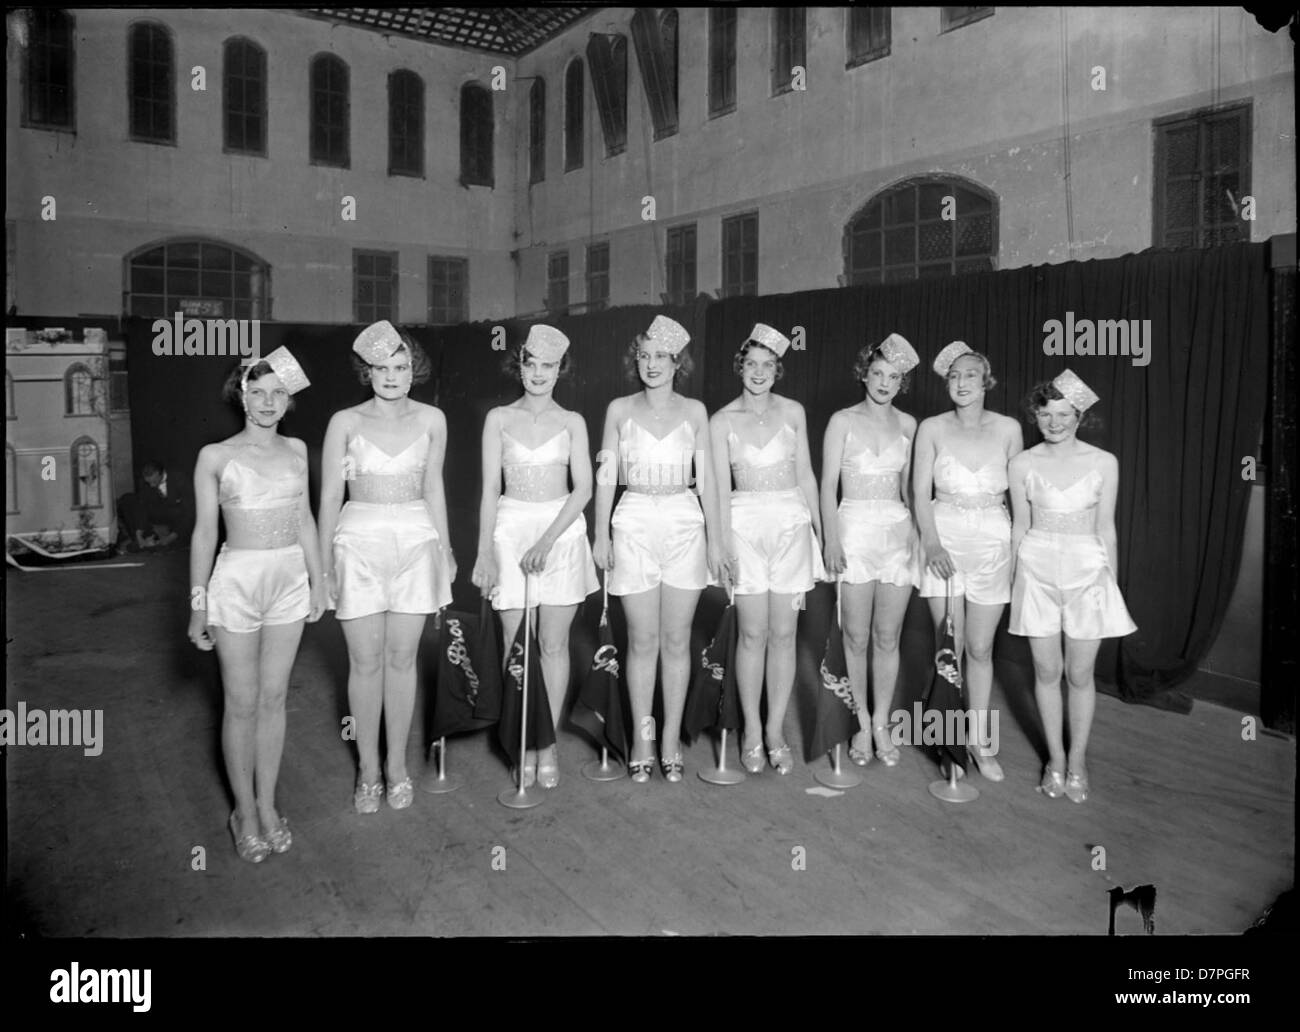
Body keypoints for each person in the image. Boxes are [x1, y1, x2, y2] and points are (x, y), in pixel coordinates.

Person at [188, 348, 326, 862]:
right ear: (240, 395)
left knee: (273, 699)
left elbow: (307, 520)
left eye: (278, 393)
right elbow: (204, 534)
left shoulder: (296, 450)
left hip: (289, 581)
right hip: (237, 584)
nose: (268, 402)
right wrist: (199, 605)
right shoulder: (216, 456)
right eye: (258, 392)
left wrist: (318, 582)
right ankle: (243, 811)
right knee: (241, 702)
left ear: (288, 399)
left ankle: (268, 805)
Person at [317, 320, 455, 815]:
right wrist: (322, 562)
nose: (392, 376)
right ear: (366, 370)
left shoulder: (433, 419)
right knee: (364, 662)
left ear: (413, 370)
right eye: (381, 367)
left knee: (402, 660)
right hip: (357, 543)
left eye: (400, 367)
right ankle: (368, 769)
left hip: (417, 541)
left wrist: (446, 547)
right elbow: (331, 494)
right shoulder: (345, 422)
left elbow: (434, 486)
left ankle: (396, 766)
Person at [592, 315, 722, 783]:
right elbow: (606, 475)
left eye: (661, 357)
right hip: (634, 524)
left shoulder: (695, 412)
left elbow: (706, 482)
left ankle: (670, 738)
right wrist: (600, 533)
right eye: (644, 356)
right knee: (642, 641)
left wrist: (716, 540)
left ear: (677, 362)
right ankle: (644, 737)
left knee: (675, 640)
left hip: (685, 523)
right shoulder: (618, 410)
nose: (651, 365)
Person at [471, 324, 598, 789]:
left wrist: (546, 541)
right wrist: (484, 552)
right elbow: (488, 489)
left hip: (560, 532)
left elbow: (583, 488)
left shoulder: (573, 422)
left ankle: (548, 746)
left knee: (553, 645)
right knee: (514, 645)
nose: (538, 374)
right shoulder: (498, 418)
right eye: (531, 363)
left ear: (561, 370)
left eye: (548, 366)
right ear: (519, 365)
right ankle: (522, 738)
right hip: (510, 529)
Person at [1009, 369, 1136, 803]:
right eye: (1047, 413)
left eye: (1064, 414)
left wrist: (1110, 588)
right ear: (1035, 415)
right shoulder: (1022, 463)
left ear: (1079, 416)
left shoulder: (1104, 462)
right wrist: (1014, 583)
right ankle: (1056, 760)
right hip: (1036, 570)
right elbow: (1018, 529)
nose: (1055, 422)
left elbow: (1108, 529)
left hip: (1088, 573)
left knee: (1080, 674)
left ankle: (1078, 760)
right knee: (1047, 672)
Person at [709, 323, 825, 775]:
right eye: (751, 364)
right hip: (744, 527)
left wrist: (823, 532)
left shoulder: (793, 412)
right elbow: (718, 488)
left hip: (791, 525)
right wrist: (720, 543)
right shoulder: (721, 420)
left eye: (768, 365)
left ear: (778, 369)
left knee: (784, 634)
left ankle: (775, 730)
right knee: (753, 633)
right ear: (741, 367)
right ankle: (752, 731)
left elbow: (807, 477)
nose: (759, 373)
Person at [914, 342, 1023, 781]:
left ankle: (978, 742)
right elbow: (920, 493)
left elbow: (1021, 499)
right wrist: (934, 545)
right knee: (949, 649)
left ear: (986, 382)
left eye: (970, 375)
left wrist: (1015, 556)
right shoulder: (932, 428)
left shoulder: (1010, 429)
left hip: (993, 545)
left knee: (980, 649)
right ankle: (948, 742)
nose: (961, 383)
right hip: (945, 545)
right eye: (954, 376)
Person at [820, 333, 919, 767]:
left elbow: (911, 490)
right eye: (877, 373)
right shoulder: (841, 421)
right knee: (856, 636)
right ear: (864, 373)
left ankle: (882, 723)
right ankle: (860, 721)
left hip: (896, 534)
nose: (884, 382)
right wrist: (831, 538)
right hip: (854, 529)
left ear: (902, 382)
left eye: (893, 376)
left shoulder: (911, 426)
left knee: (887, 636)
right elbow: (826, 487)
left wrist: (918, 535)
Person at [118, 459, 193, 550]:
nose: (152, 486)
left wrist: (170, 538)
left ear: (160, 474)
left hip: (176, 517)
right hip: (156, 513)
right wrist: (139, 535)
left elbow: (189, 511)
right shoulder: (145, 483)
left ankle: (170, 541)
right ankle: (146, 539)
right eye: (148, 482)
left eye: (153, 482)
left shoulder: (179, 479)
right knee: (128, 499)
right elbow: (142, 507)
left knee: (188, 512)